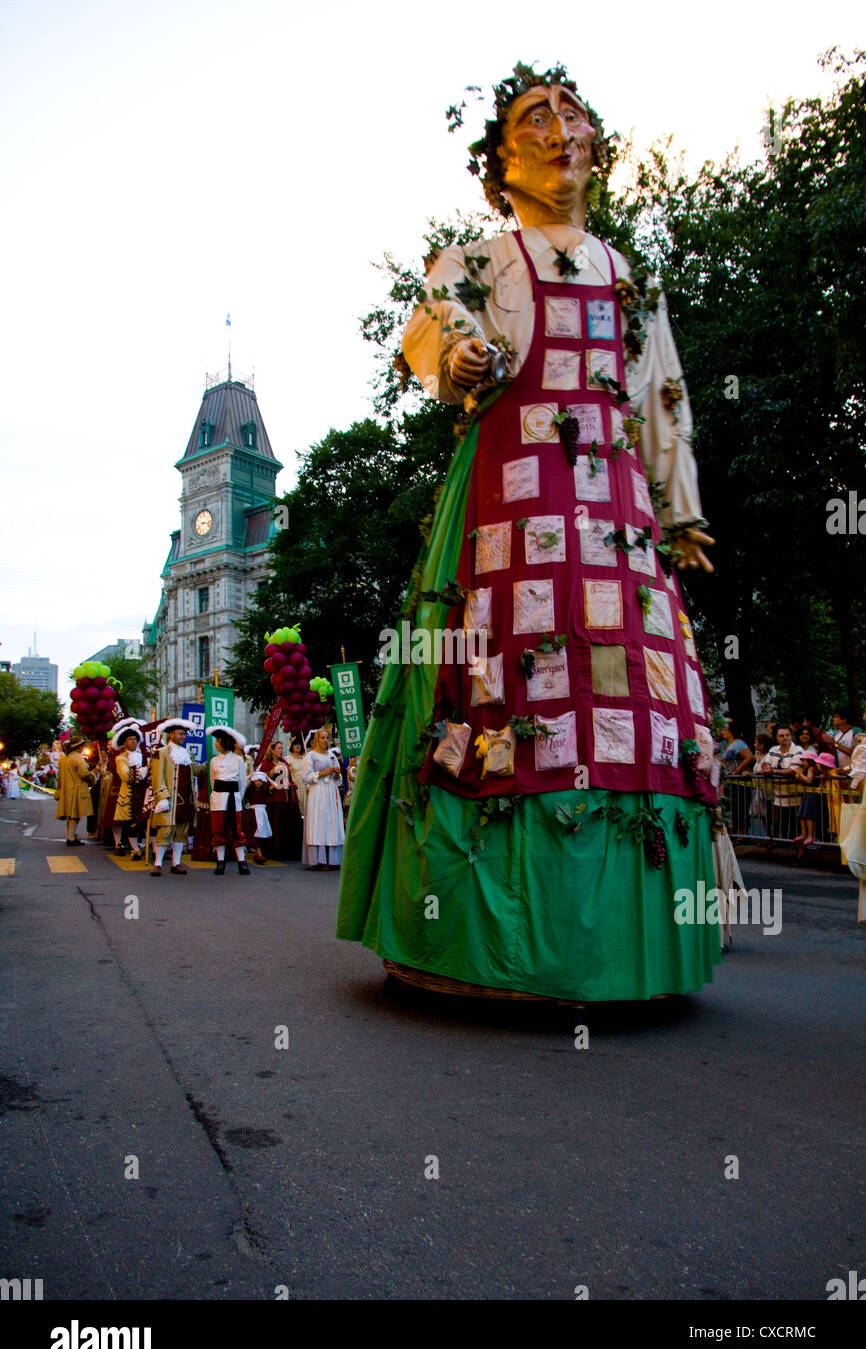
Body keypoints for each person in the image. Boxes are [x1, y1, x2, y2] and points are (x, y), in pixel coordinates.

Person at [337, 64, 726, 1000]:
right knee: (488, 697)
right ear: (499, 161)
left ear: (594, 147)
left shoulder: (632, 277)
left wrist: (679, 511)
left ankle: (621, 950)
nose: (561, 132)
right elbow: (435, 324)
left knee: (632, 700)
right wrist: (464, 351)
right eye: (533, 120)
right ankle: (467, 944)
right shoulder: (480, 259)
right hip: (504, 520)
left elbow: (659, 398)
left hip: (614, 523)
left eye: (573, 117)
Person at [150, 718, 204, 876]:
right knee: (166, 831)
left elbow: (194, 770)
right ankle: (158, 864)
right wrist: (162, 797)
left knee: (182, 831)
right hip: (171, 799)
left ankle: (176, 863)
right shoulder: (161, 753)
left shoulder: (187, 753)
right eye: (181, 734)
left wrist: (210, 764)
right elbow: (157, 778)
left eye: (184, 734)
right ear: (172, 735)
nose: (183, 737)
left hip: (186, 798)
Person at [207, 725, 249, 875]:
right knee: (218, 830)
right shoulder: (213, 761)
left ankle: (241, 861)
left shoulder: (238, 760)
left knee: (236, 830)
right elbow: (213, 782)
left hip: (233, 799)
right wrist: (217, 795)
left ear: (225, 742)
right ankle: (220, 861)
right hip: (218, 800)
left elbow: (243, 782)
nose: (215, 743)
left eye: (218, 741)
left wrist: (238, 797)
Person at [302, 728, 345, 869]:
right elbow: (306, 777)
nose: (325, 740)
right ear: (316, 740)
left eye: (327, 737)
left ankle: (333, 858)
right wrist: (322, 773)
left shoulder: (332, 756)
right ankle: (319, 859)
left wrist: (337, 774)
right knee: (319, 821)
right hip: (318, 790)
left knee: (332, 821)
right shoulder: (311, 756)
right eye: (322, 737)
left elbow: (339, 780)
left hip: (331, 791)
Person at [111, 724, 148, 859]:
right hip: (130, 794)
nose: (133, 741)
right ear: (125, 743)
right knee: (130, 822)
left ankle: (151, 848)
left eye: (135, 739)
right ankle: (135, 849)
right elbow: (126, 776)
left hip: (145, 793)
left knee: (146, 822)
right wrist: (145, 769)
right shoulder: (121, 758)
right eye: (130, 739)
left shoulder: (144, 755)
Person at [55, 735, 96, 844]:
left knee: (70, 813)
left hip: (66, 788)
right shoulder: (78, 757)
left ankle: (71, 835)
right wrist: (92, 777)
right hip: (77, 788)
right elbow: (83, 774)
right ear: (78, 747)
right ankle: (71, 837)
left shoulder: (63, 759)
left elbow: (59, 776)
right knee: (75, 814)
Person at [793, 747, 820, 847]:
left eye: (803, 760)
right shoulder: (805, 769)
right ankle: (803, 834)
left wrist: (800, 774)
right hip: (805, 793)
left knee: (808, 815)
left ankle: (810, 835)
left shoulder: (811, 768)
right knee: (801, 814)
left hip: (811, 794)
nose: (802, 762)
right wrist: (799, 775)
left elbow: (809, 780)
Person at [831, 705, 862, 771]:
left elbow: (853, 752)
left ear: (844, 719)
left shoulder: (857, 731)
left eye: (836, 716)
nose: (833, 719)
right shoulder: (835, 734)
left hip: (855, 771)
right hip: (840, 771)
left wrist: (834, 744)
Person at [286, 736, 308, 814]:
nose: (298, 746)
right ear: (292, 746)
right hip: (295, 785)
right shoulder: (287, 759)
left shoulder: (305, 758)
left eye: (299, 744)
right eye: (295, 744)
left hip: (306, 784)